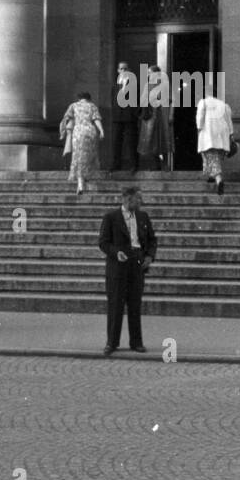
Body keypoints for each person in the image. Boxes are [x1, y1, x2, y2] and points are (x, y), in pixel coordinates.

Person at [98, 186, 157, 355]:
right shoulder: (111, 217)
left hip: (137, 263)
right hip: (118, 265)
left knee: (135, 304)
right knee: (115, 304)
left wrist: (149, 257)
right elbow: (103, 242)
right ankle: (112, 342)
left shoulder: (143, 217)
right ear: (127, 199)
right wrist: (116, 252)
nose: (140, 202)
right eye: (138, 199)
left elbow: (152, 240)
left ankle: (136, 342)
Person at [59, 91, 104, 195]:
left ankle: (80, 182)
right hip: (90, 131)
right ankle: (86, 177)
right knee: (88, 155)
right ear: (89, 98)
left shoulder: (73, 106)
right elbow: (96, 119)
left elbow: (66, 119)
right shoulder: (92, 106)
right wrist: (101, 130)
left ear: (79, 98)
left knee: (78, 156)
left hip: (78, 132)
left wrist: (63, 132)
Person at [196, 89, 234, 197]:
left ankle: (218, 179)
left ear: (207, 93)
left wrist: (199, 129)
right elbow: (229, 121)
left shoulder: (203, 103)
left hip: (209, 134)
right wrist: (231, 134)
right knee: (215, 157)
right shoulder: (224, 105)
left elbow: (199, 119)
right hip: (222, 136)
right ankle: (211, 176)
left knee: (210, 156)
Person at [138, 64, 172, 171]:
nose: (148, 74)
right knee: (151, 140)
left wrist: (171, 115)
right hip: (151, 116)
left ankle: (165, 165)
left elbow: (172, 101)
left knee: (163, 140)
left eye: (150, 72)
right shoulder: (148, 85)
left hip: (161, 115)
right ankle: (155, 165)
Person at [110, 61, 139, 174]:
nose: (123, 71)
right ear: (118, 70)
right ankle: (116, 164)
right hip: (118, 117)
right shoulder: (115, 85)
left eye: (125, 69)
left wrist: (134, 114)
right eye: (121, 69)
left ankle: (134, 165)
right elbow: (112, 100)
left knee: (131, 142)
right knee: (116, 141)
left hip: (130, 117)